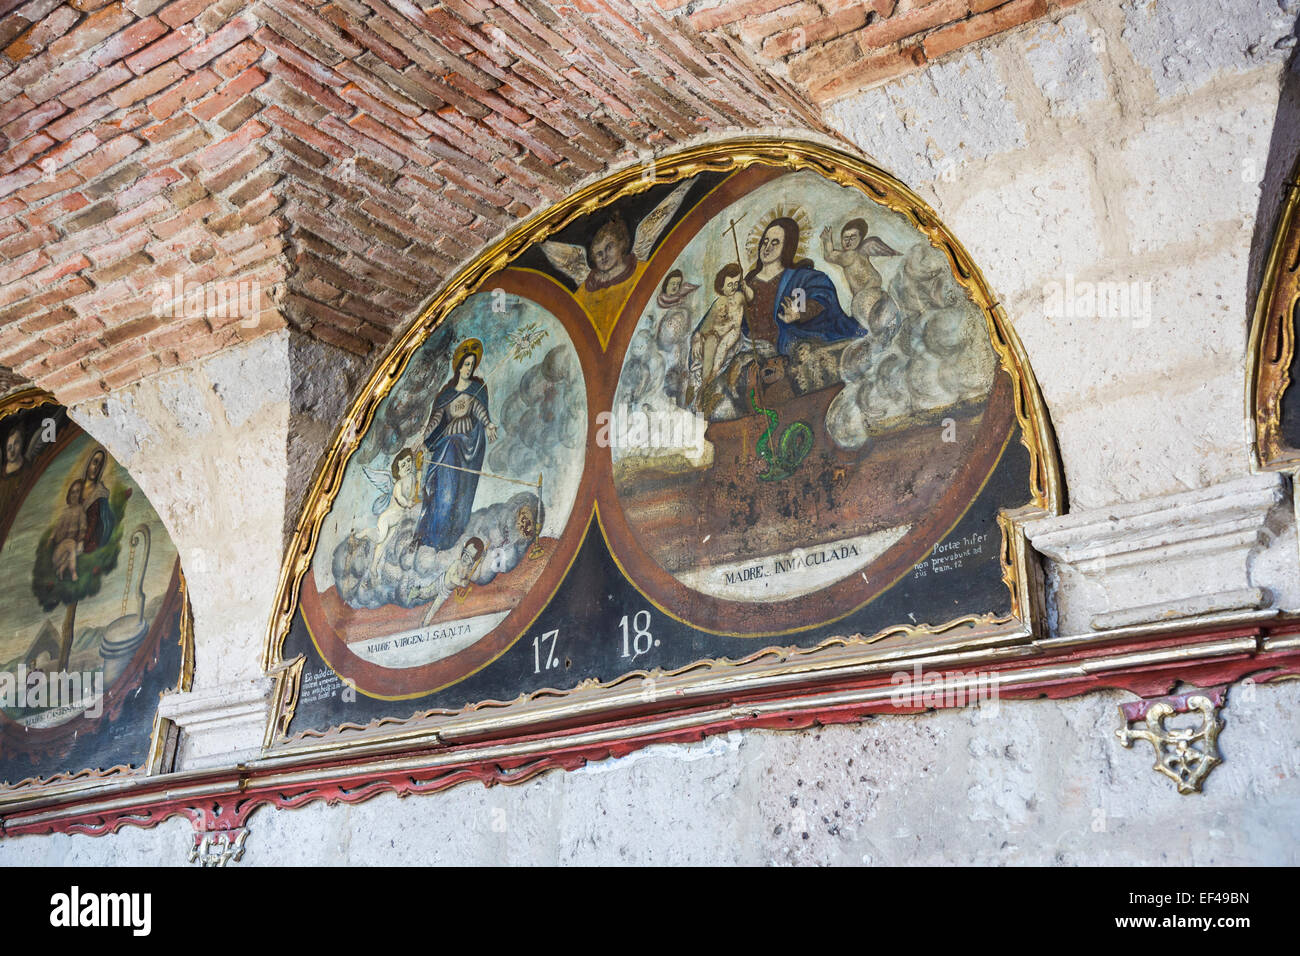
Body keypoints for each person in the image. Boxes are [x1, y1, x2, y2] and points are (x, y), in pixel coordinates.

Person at [414, 339, 497, 552]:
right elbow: (436, 420)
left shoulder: (476, 391)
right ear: (459, 365)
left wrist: (488, 425)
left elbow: (479, 411)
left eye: (472, 364)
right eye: (466, 364)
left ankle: (448, 539)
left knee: (458, 497)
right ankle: (432, 538)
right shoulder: (446, 395)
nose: (470, 368)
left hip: (466, 449)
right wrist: (423, 439)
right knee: (444, 495)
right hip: (447, 448)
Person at [743, 217, 864, 357]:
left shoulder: (801, 277)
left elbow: (824, 294)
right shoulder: (748, 283)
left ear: (786, 246)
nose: (767, 247)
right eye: (765, 241)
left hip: (787, 348)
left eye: (775, 243)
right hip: (754, 350)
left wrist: (800, 313)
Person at [820, 218, 899, 331]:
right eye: (845, 238)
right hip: (879, 295)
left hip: (866, 299)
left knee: (871, 332)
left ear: (860, 239)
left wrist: (827, 240)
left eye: (853, 238)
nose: (848, 242)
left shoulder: (850, 255)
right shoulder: (860, 253)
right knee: (885, 328)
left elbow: (829, 256)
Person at [690, 263, 752, 404]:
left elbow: (750, 298)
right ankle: (705, 383)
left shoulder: (739, 296)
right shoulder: (719, 303)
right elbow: (706, 326)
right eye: (730, 284)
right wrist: (698, 336)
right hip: (717, 335)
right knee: (711, 345)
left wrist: (745, 286)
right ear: (721, 286)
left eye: (736, 283)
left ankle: (712, 375)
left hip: (733, 333)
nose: (733, 287)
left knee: (722, 349)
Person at [420, 536, 486, 626]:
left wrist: (481, 562)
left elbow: (475, 577)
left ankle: (425, 624)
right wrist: (461, 582)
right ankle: (416, 592)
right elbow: (452, 578)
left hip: (446, 591)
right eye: (465, 553)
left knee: (434, 608)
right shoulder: (457, 563)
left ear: (473, 561)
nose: (465, 557)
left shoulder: (468, 570)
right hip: (440, 582)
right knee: (425, 593)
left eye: (469, 557)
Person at [81, 448, 117, 553]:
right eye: (95, 462)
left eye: (100, 465)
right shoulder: (76, 489)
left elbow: (106, 521)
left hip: (90, 540)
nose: (96, 467)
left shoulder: (101, 492)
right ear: (88, 464)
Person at [53, 480, 87, 581]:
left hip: (70, 548)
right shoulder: (65, 512)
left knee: (74, 547)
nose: (75, 495)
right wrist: (51, 538)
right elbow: (57, 528)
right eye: (73, 492)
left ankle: (64, 569)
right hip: (60, 549)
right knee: (71, 545)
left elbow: (83, 527)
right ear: (69, 494)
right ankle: (72, 572)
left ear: (80, 494)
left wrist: (80, 540)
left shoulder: (80, 510)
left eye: (78, 492)